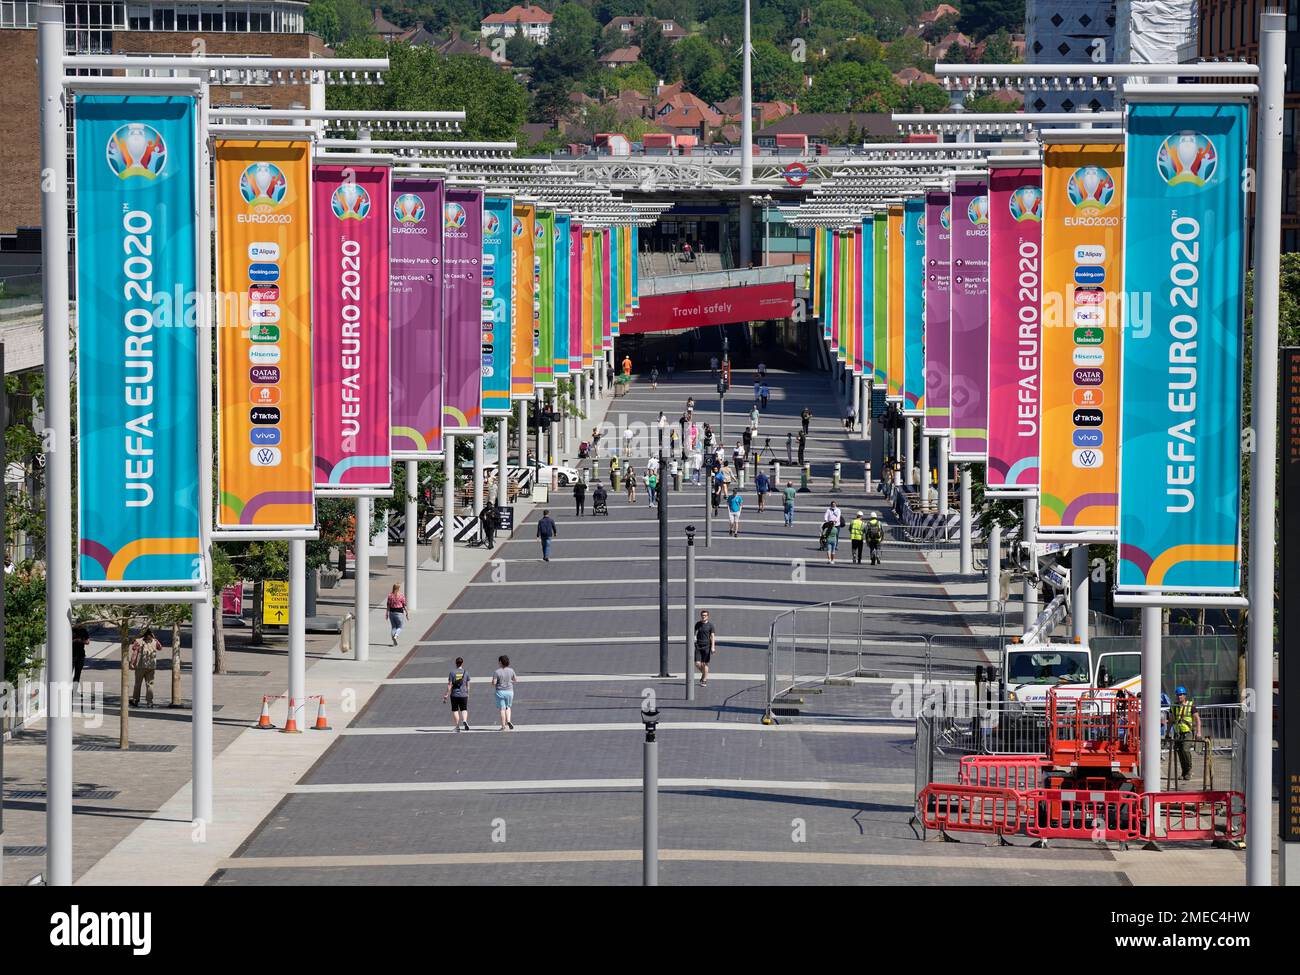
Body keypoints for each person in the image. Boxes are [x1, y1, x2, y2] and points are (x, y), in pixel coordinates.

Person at [1167, 685, 1202, 781]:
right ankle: (1184, 772)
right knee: (1180, 752)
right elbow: (1170, 720)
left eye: (1181, 695)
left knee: (1185, 750)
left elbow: (1197, 719)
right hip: (1178, 733)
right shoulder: (1174, 707)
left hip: (1188, 732)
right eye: (1178, 695)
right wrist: (1167, 733)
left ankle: (1189, 770)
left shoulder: (1191, 705)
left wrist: (1199, 732)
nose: (1179, 696)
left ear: (1185, 695)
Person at [129, 627, 162, 708]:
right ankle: (149, 702)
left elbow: (135, 653)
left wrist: (132, 663)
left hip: (140, 666)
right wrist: (154, 638)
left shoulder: (138, 641)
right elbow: (160, 648)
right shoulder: (154, 641)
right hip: (151, 666)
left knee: (138, 684)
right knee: (150, 684)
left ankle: (135, 700)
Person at [443, 657, 471, 731]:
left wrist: (446, 694)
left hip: (454, 694)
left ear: (456, 663)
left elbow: (449, 685)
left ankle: (457, 726)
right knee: (464, 709)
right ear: (462, 663)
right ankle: (464, 720)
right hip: (464, 694)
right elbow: (468, 685)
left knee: (455, 710)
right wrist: (468, 693)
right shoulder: (466, 672)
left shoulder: (452, 672)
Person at [493, 654, 518, 730]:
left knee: (502, 709)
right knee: (508, 707)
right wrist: (509, 681)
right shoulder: (511, 670)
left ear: (500, 662)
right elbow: (515, 680)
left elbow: (494, 682)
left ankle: (503, 726)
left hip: (500, 692)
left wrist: (494, 682)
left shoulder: (497, 672)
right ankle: (509, 721)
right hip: (510, 691)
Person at [693, 609, 716, 686]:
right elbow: (694, 633)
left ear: (708, 616)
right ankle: (704, 673)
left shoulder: (710, 625)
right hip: (698, 645)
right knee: (697, 663)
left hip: (707, 646)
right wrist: (694, 639)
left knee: (704, 664)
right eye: (702, 615)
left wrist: (713, 647)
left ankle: (704, 680)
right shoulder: (698, 624)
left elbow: (712, 636)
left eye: (705, 615)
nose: (703, 617)